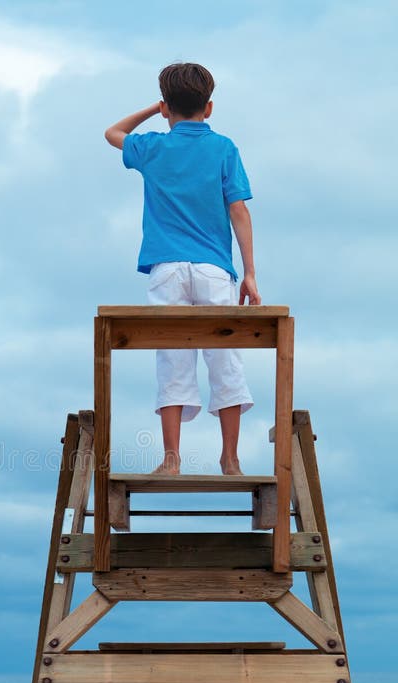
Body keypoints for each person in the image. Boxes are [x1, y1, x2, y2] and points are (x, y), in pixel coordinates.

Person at [105, 62, 261, 476]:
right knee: (225, 360)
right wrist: (249, 273)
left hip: (167, 269)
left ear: (166, 107)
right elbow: (238, 210)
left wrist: (152, 111)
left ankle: (171, 459)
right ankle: (230, 458)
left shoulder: (153, 147)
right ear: (208, 108)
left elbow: (113, 133)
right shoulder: (224, 148)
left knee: (172, 359)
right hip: (213, 270)